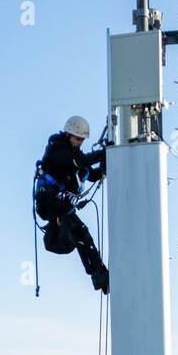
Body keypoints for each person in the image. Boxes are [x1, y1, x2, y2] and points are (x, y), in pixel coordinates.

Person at [35, 116, 109, 294]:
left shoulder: (75, 154)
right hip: (50, 203)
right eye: (78, 139)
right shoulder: (57, 148)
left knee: (82, 235)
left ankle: (100, 276)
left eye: (82, 140)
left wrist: (108, 164)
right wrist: (106, 152)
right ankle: (100, 275)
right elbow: (78, 162)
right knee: (79, 232)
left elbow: (90, 174)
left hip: (60, 205)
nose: (80, 142)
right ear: (68, 135)